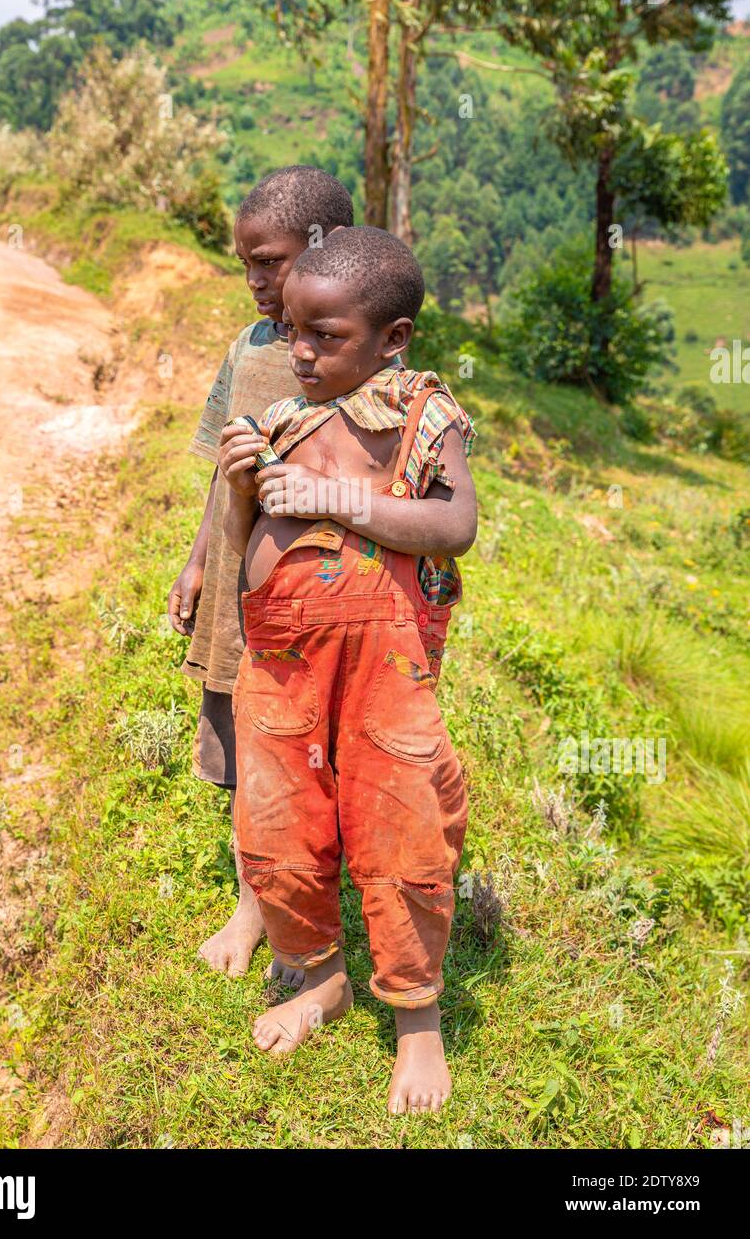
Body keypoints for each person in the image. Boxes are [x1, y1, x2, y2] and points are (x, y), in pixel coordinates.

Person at [219, 225, 477, 1114]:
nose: (299, 352)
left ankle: (418, 1025)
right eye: (292, 331)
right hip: (280, 670)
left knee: (403, 832)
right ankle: (321, 978)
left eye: (324, 337)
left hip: (384, 674)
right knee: (280, 826)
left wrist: (334, 498)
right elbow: (239, 538)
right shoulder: (280, 424)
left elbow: (453, 528)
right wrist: (241, 485)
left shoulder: (424, 418)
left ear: (393, 338)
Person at [168, 166, 354, 980]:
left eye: (268, 262)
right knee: (247, 750)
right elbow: (221, 465)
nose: (253, 282)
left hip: (314, 595)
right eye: (244, 264)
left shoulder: (352, 349)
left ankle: (297, 912)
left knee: (305, 749)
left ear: (324, 248)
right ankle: (255, 903)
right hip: (236, 593)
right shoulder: (248, 347)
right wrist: (198, 561)